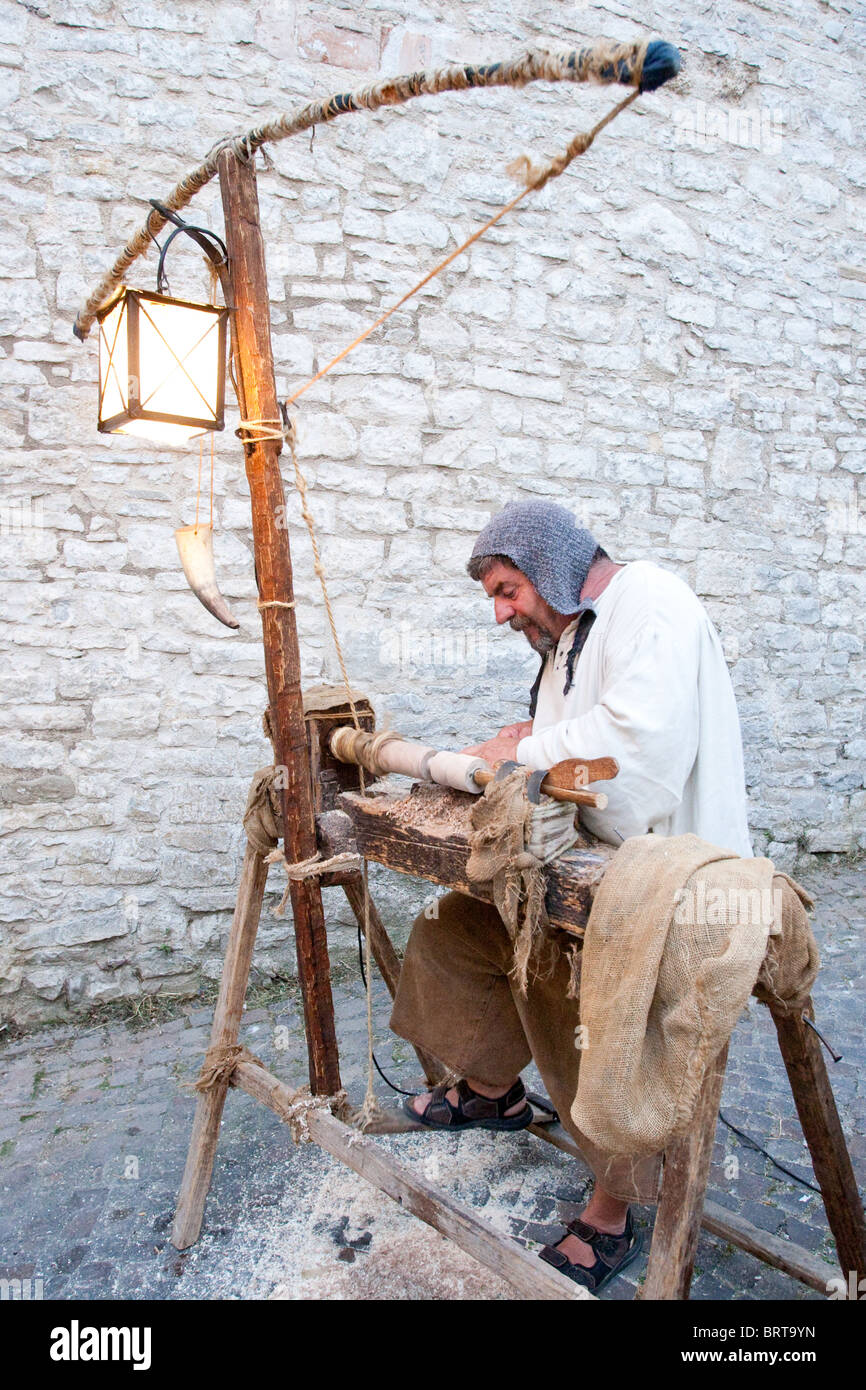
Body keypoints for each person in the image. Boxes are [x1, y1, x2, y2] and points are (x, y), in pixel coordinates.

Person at [389, 500, 753, 1291]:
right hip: (586, 873)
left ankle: (613, 1206)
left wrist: (518, 755)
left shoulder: (650, 600)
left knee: (581, 1005)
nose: (500, 612)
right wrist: (520, 746)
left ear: (550, 566)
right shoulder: (565, 640)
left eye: (507, 588)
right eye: (495, 595)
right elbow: (563, 744)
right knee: (455, 929)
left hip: (666, 880)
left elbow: (633, 759)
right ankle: (493, 1092)